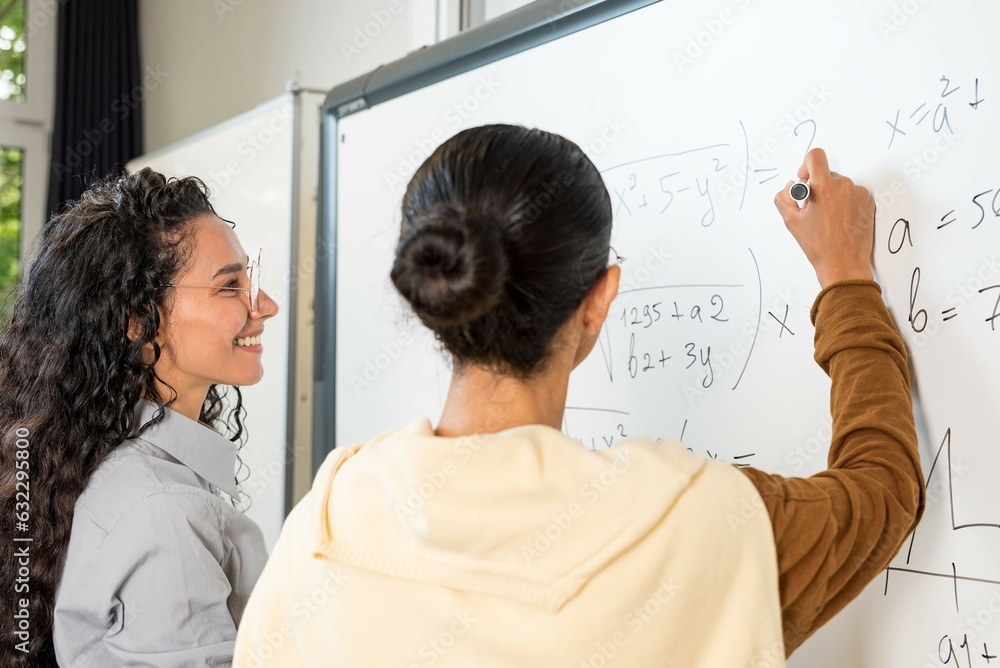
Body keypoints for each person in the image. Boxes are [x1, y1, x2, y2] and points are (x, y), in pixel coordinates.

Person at [233, 126, 924, 666]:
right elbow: (881, 491)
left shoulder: (325, 522)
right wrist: (845, 278)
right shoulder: (699, 519)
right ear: (599, 301)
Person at [0, 168, 279, 667]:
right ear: (137, 320)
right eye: (229, 287)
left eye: (250, 278)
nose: (266, 306)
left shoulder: (100, 455)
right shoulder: (161, 510)